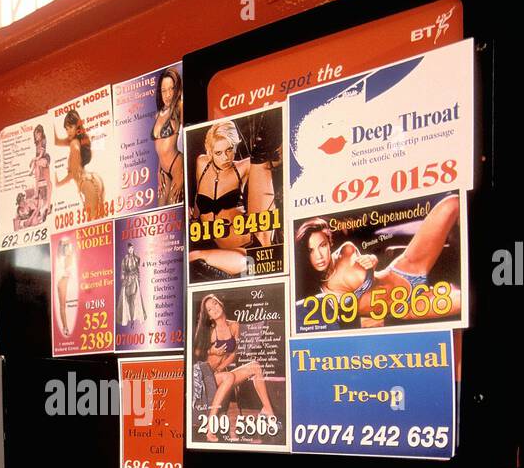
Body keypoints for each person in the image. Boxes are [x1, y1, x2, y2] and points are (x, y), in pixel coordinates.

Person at [294, 193, 461, 323]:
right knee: (465, 300)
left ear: (329, 242)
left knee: (453, 203)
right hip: (407, 307)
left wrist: (372, 260)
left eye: (322, 245)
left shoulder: (346, 250)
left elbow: (369, 268)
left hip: (404, 270)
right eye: (310, 250)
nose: (319, 256)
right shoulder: (316, 291)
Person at [189, 120, 274, 280]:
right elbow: (198, 196)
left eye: (229, 149)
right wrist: (194, 217)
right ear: (209, 152)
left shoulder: (243, 167)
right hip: (216, 246)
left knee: (194, 256)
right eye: (218, 153)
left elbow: (270, 162)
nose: (226, 157)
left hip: (245, 246)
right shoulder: (202, 163)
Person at [191, 294, 276, 442]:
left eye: (215, 304)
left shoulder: (235, 326)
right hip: (205, 375)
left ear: (221, 304)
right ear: (209, 316)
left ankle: (268, 410)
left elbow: (234, 354)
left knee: (255, 367)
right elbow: (196, 352)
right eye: (209, 309)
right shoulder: (209, 330)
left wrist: (221, 368)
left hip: (220, 374)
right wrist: (212, 351)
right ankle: (210, 425)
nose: (214, 309)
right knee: (229, 376)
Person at [55, 110, 105, 221]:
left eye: (70, 127)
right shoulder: (77, 140)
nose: (68, 131)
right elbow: (56, 141)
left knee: (93, 221)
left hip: (86, 183)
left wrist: (58, 183)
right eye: (66, 128)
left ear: (77, 127)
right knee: (99, 218)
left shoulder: (74, 144)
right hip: (92, 179)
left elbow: (73, 174)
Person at [151, 67, 183, 206]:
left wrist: (182, 173)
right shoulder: (158, 114)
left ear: (177, 89)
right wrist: (159, 171)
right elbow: (160, 148)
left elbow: (188, 139)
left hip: (177, 166)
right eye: (164, 90)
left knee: (173, 208)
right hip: (163, 170)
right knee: (162, 209)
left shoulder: (180, 107)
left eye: (171, 89)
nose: (168, 94)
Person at [116, 243, 147, 326]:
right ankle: (129, 318)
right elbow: (123, 271)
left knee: (134, 299)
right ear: (127, 249)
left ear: (133, 249)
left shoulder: (136, 258)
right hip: (128, 280)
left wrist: (138, 278)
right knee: (128, 300)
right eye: (129, 248)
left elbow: (139, 268)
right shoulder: (125, 259)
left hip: (135, 280)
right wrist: (124, 279)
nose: (131, 250)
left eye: (132, 248)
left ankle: (133, 319)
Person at [30, 125, 52, 221]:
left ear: (41, 133)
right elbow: (37, 157)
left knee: (36, 164)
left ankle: (37, 192)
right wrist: (34, 161)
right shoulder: (37, 143)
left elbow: (40, 156)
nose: (36, 136)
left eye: (38, 134)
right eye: (35, 135)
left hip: (45, 158)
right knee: (47, 181)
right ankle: (47, 206)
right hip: (40, 162)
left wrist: (33, 160)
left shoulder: (43, 140)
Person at [56, 239, 75, 336]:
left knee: (64, 306)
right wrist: (63, 243)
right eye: (66, 248)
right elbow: (59, 248)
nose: (68, 249)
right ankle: (65, 328)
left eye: (69, 247)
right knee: (62, 306)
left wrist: (65, 243)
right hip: (63, 282)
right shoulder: (63, 258)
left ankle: (65, 327)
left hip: (66, 281)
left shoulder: (70, 257)